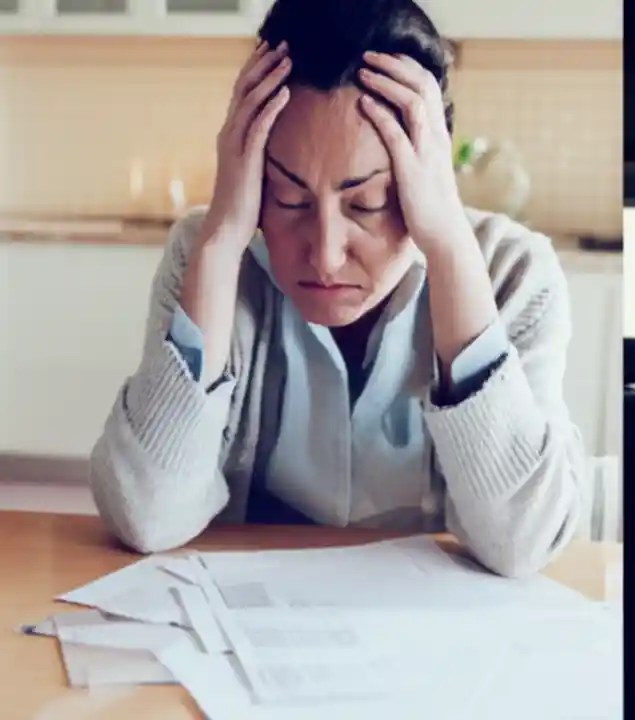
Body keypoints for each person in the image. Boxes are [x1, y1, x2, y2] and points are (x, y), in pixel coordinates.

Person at [89, 0, 582, 579]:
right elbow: (145, 515)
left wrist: (449, 248)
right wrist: (221, 242)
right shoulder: (212, 253)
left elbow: (523, 543)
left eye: (367, 203)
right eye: (290, 198)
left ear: (427, 176)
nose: (324, 252)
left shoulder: (511, 271)